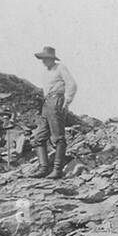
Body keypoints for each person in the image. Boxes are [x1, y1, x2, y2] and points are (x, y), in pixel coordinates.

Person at [32, 46, 78, 179]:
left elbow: (72, 84)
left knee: (58, 137)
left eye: (45, 58)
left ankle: (57, 170)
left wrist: (67, 101)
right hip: (47, 103)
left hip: (56, 100)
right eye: (42, 59)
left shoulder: (60, 67)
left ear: (52, 58)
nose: (43, 61)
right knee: (38, 138)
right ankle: (43, 168)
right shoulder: (46, 72)